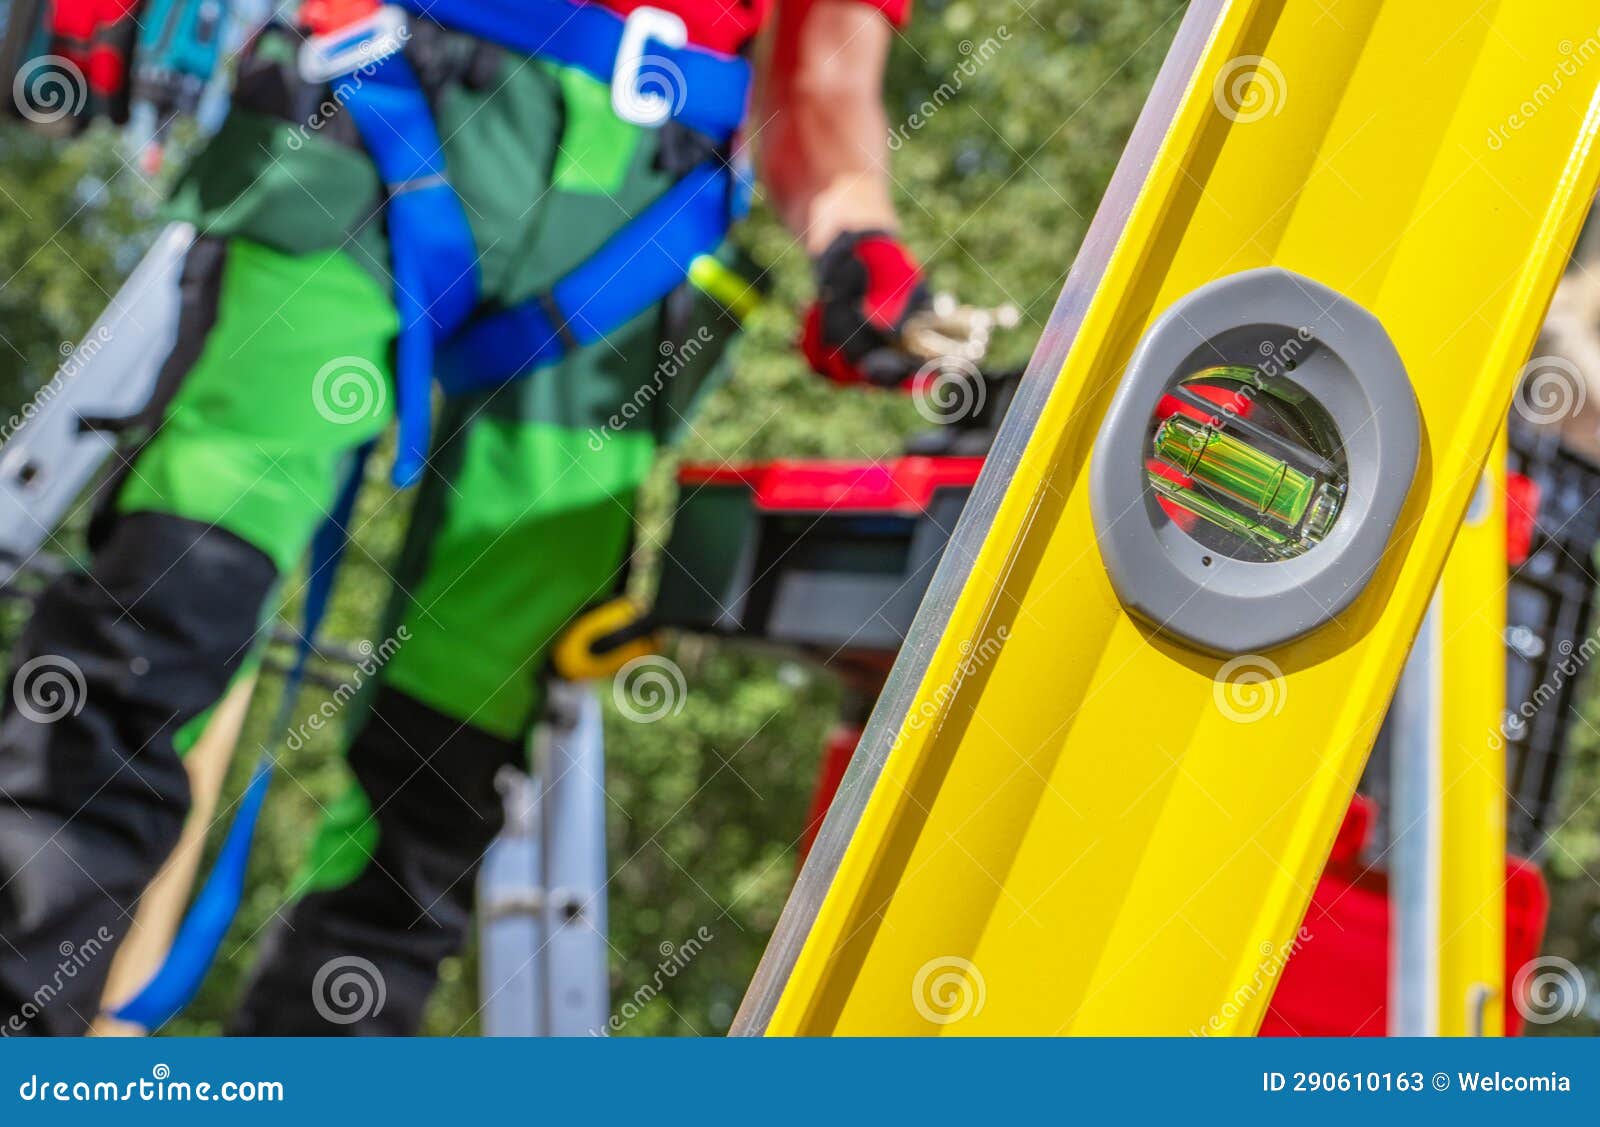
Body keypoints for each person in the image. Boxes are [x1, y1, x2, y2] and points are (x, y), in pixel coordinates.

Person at [0, 0, 932, 1035]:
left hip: (641, 213)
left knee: (453, 742)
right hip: (385, 79)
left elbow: (823, 80)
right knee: (178, 586)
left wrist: (858, 244)